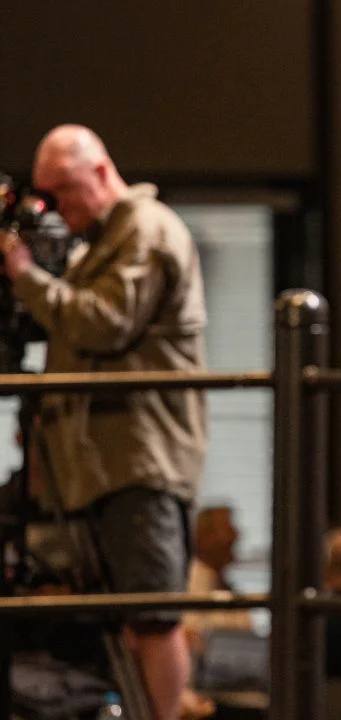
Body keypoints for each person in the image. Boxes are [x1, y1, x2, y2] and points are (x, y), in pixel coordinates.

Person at [0, 125, 208, 720]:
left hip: (140, 460)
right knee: (132, 617)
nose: (59, 211)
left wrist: (26, 276)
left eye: (63, 193)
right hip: (107, 464)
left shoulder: (145, 230)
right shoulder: (100, 242)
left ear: (99, 171)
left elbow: (103, 322)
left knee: (153, 614)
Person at [184, 506, 254, 652]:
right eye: (227, 528)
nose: (236, 535)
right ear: (204, 538)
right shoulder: (185, 582)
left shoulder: (227, 585)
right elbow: (191, 638)